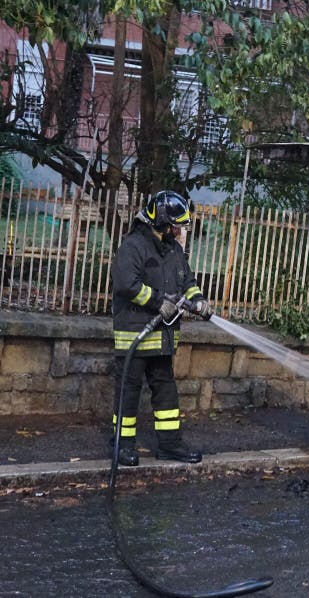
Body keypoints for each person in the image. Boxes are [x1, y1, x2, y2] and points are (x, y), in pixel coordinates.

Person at [110, 190, 213, 466]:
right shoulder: (134, 246)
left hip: (163, 337)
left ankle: (169, 444)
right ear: (163, 222)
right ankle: (122, 445)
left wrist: (199, 301)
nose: (179, 230)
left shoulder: (174, 250)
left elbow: (187, 282)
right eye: (176, 224)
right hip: (135, 335)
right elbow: (125, 283)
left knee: (166, 390)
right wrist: (158, 302)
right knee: (128, 392)